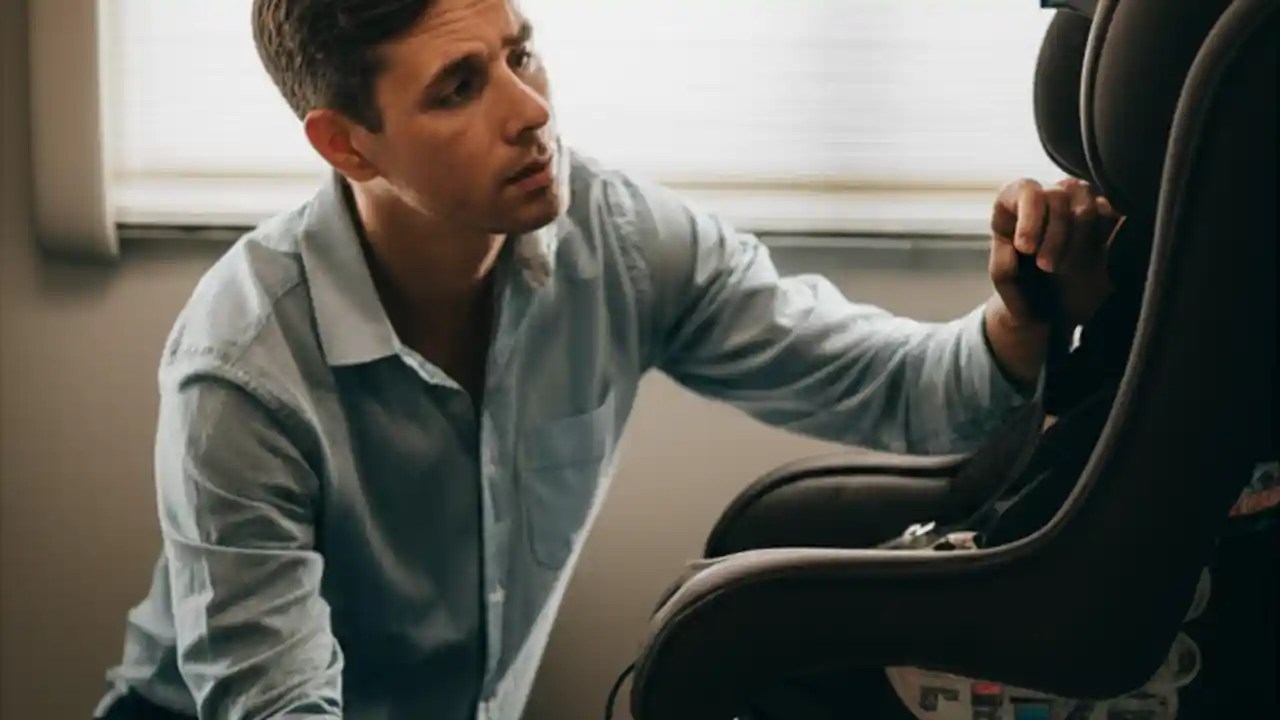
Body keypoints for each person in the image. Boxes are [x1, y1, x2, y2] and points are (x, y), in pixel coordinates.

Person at [92, 1, 1121, 718]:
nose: (530, 109)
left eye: (519, 52)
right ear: (348, 145)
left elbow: (903, 393)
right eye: (459, 86)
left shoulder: (617, 237)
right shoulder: (242, 368)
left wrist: (1021, 310)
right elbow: (275, 706)